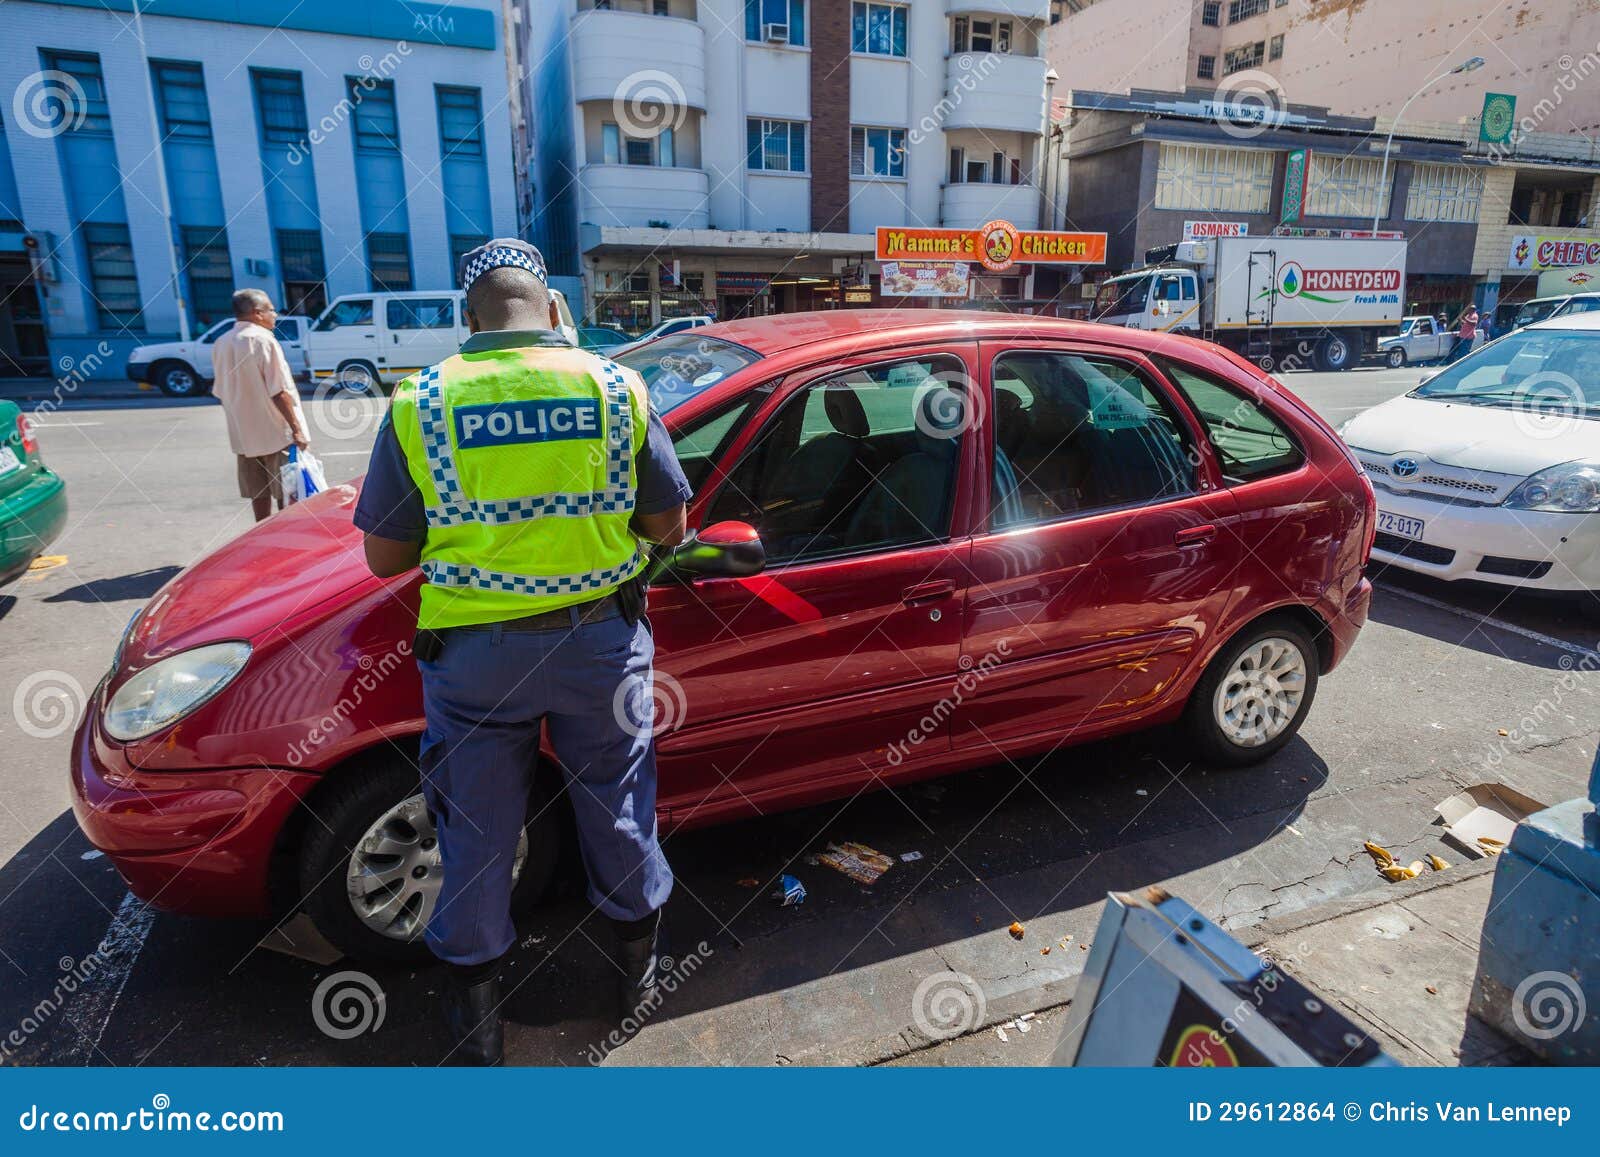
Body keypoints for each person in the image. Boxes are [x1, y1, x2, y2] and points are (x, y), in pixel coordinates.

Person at [353, 240, 690, 1066]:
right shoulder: (615, 385)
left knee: (475, 828)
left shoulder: (422, 398)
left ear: (468, 316)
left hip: (477, 660)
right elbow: (669, 526)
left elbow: (385, 558)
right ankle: (636, 975)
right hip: (599, 647)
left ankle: (477, 1021)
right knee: (618, 803)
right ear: (554, 307)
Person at [212, 289, 310, 521]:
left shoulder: (222, 342)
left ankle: (262, 534)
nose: (275, 315)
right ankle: (285, 535)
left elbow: (220, 391)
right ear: (257, 313)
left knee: (258, 493)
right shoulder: (263, 340)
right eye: (271, 310)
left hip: (243, 436)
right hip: (275, 433)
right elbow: (279, 390)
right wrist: (296, 429)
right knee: (287, 492)